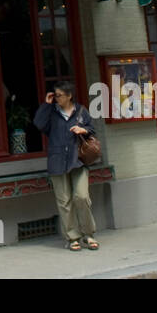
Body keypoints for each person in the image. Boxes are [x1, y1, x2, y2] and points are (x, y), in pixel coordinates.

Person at [32, 81, 99, 251]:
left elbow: (92, 129)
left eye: (59, 95)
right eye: (55, 95)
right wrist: (46, 104)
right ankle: (72, 237)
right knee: (64, 201)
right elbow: (38, 124)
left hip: (78, 160)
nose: (57, 99)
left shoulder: (81, 111)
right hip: (57, 160)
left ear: (69, 96)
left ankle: (89, 234)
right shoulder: (51, 113)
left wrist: (82, 130)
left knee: (82, 196)